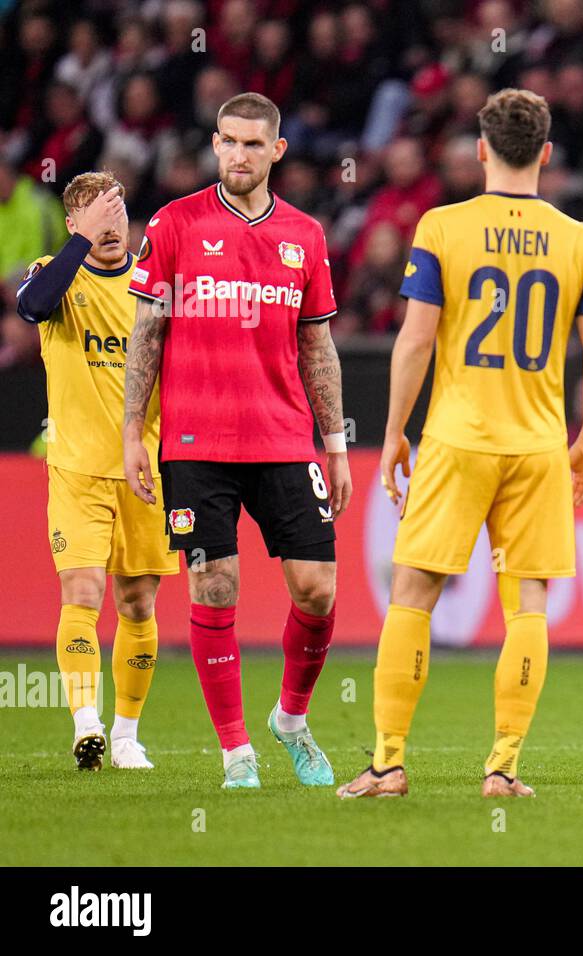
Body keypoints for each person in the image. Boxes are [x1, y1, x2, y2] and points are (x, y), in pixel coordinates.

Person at [336, 88, 583, 800]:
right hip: (536, 445)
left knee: (414, 594)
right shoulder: (581, 240)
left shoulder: (442, 226)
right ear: (547, 155)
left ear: (483, 150)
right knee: (528, 604)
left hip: (458, 439)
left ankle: (389, 763)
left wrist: (396, 429)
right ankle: (503, 769)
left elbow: (416, 338)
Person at [123, 92, 351, 791]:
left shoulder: (305, 235)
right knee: (214, 585)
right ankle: (236, 752)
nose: (239, 154)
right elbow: (147, 333)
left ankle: (290, 718)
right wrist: (134, 430)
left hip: (284, 438)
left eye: (254, 144)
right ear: (215, 144)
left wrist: (336, 445)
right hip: (196, 439)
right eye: (227, 141)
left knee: (317, 591)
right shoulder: (175, 223)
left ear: (277, 151)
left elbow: (318, 344)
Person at [16, 171, 177, 771]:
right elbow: (31, 306)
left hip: (146, 472)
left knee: (137, 603)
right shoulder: (51, 275)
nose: (111, 225)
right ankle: (87, 725)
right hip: (78, 470)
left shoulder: (156, 284)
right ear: (74, 224)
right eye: (95, 215)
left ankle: (128, 734)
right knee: (81, 594)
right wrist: (79, 244)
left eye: (117, 212)